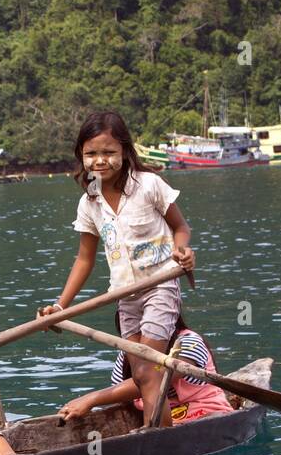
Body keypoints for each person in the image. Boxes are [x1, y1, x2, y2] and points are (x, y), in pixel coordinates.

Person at [37, 110, 195, 426]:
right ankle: (161, 434)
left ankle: (158, 440)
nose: (100, 161)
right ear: (80, 157)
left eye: (109, 152)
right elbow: (84, 259)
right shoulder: (89, 203)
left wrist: (182, 250)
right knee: (140, 374)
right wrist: (60, 306)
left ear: (125, 150)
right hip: (125, 296)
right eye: (91, 154)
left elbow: (181, 227)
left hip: (160, 284)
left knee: (149, 369)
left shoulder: (149, 185)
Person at [57, 312, 233, 424]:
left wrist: (90, 399)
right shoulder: (126, 355)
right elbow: (120, 395)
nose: (142, 334)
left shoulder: (189, 343)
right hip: (155, 422)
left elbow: (155, 379)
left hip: (205, 415)